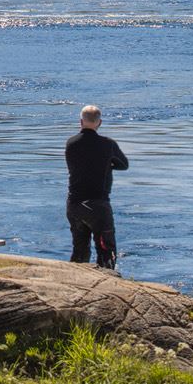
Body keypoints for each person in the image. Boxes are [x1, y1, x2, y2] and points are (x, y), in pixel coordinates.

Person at [64, 105, 128, 270]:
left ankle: (74, 279)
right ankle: (108, 280)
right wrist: (108, 165)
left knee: (80, 249)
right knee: (106, 250)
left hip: (74, 203)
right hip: (97, 204)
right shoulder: (108, 144)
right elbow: (124, 165)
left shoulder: (71, 143)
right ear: (100, 122)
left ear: (81, 122)